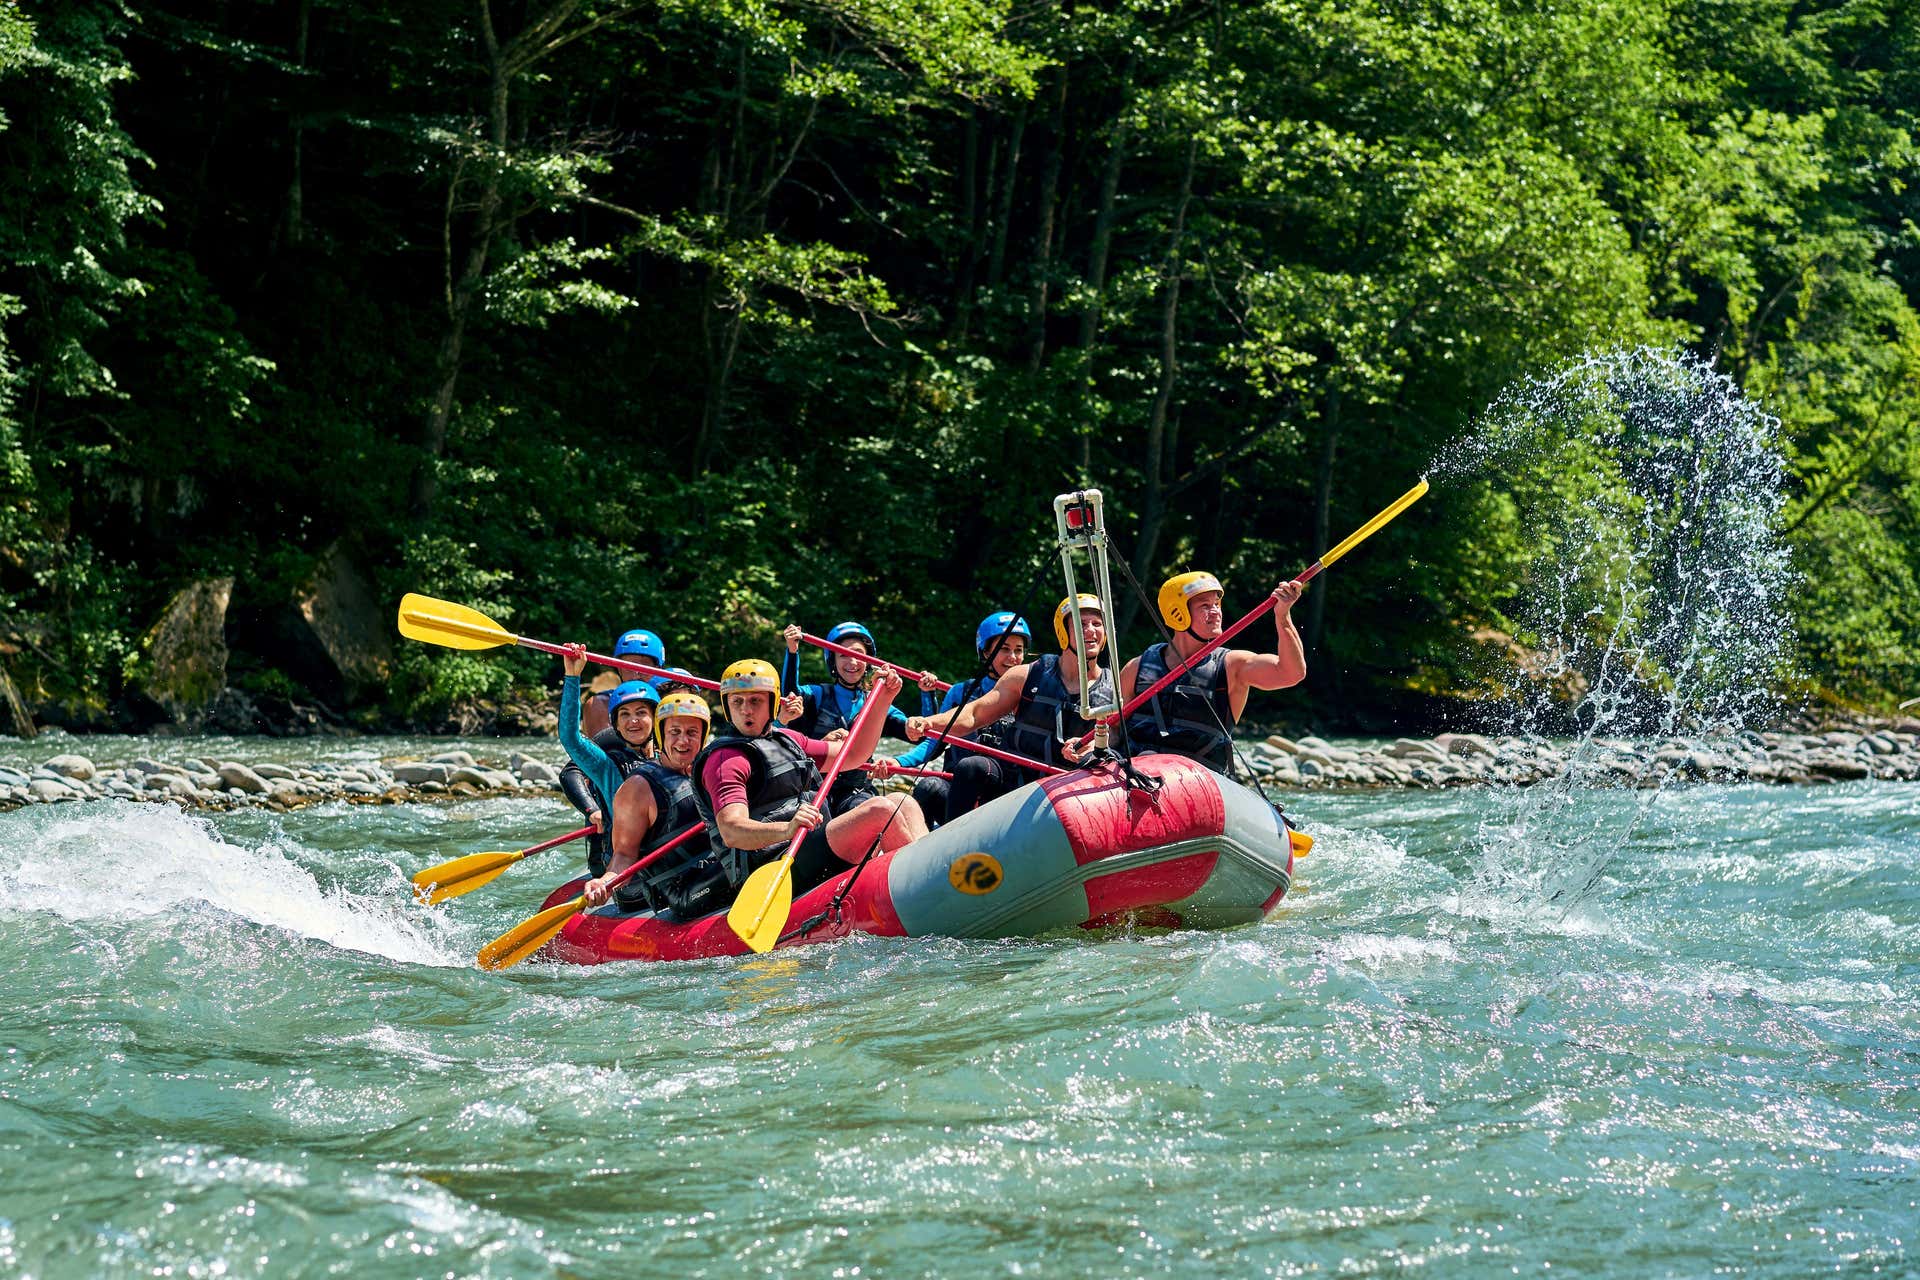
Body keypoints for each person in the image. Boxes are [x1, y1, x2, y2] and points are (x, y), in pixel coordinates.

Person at [683, 658, 929, 914]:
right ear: (727, 706)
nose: (746, 710)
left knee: (905, 802)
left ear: (773, 703)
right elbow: (733, 831)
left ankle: (929, 877)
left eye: (755, 701)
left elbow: (854, 754)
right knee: (879, 811)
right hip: (772, 863)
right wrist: (786, 829)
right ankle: (923, 895)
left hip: (808, 844)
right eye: (737, 701)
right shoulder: (725, 760)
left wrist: (883, 699)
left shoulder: (788, 739)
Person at [903, 595, 1115, 780]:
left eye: (1097, 624)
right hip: (1017, 782)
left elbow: (1122, 738)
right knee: (966, 770)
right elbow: (974, 714)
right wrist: (927, 723)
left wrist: (1097, 745)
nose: (1090, 631)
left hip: (1073, 788)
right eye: (1081, 623)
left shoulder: (1115, 687)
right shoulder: (1023, 676)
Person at [1119, 571, 1307, 771]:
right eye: (1205, 606)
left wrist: (1283, 616)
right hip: (1137, 774)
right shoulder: (1136, 668)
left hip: (1198, 782)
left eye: (1217, 604)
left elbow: (1291, 673)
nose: (1216, 612)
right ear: (1177, 613)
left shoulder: (1232, 665)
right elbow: (1112, 729)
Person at [873, 611, 1030, 824]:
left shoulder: (1030, 695)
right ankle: (927, 848)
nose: (1013, 657)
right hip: (959, 789)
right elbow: (933, 744)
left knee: (973, 766)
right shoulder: (960, 693)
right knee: (929, 787)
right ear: (985, 652)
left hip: (1004, 790)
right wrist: (898, 762)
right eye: (1004, 649)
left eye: (1018, 650)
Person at [777, 620, 932, 812]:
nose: (852, 662)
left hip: (856, 792)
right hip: (812, 790)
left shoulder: (879, 704)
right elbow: (790, 695)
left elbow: (930, 741)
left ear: (868, 661)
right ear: (832, 660)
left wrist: (927, 693)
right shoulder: (817, 695)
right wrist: (792, 652)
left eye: (858, 655)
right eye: (843, 655)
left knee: (869, 807)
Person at [582, 691, 712, 913]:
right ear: (661, 734)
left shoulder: (709, 770)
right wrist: (606, 881)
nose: (683, 740)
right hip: (681, 889)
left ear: (703, 737)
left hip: (713, 870)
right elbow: (623, 854)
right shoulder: (637, 788)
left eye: (692, 732)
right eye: (674, 732)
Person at [558, 657, 659, 877]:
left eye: (641, 712)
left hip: (668, 861)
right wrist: (573, 676)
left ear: (655, 718)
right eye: (625, 714)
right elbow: (570, 738)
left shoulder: (670, 758)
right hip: (632, 871)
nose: (633, 721)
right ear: (616, 724)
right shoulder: (608, 767)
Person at [581, 629, 667, 738]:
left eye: (644, 668)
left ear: (657, 669)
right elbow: (604, 750)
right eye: (629, 668)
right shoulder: (601, 704)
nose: (636, 676)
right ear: (619, 669)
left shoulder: (668, 701)